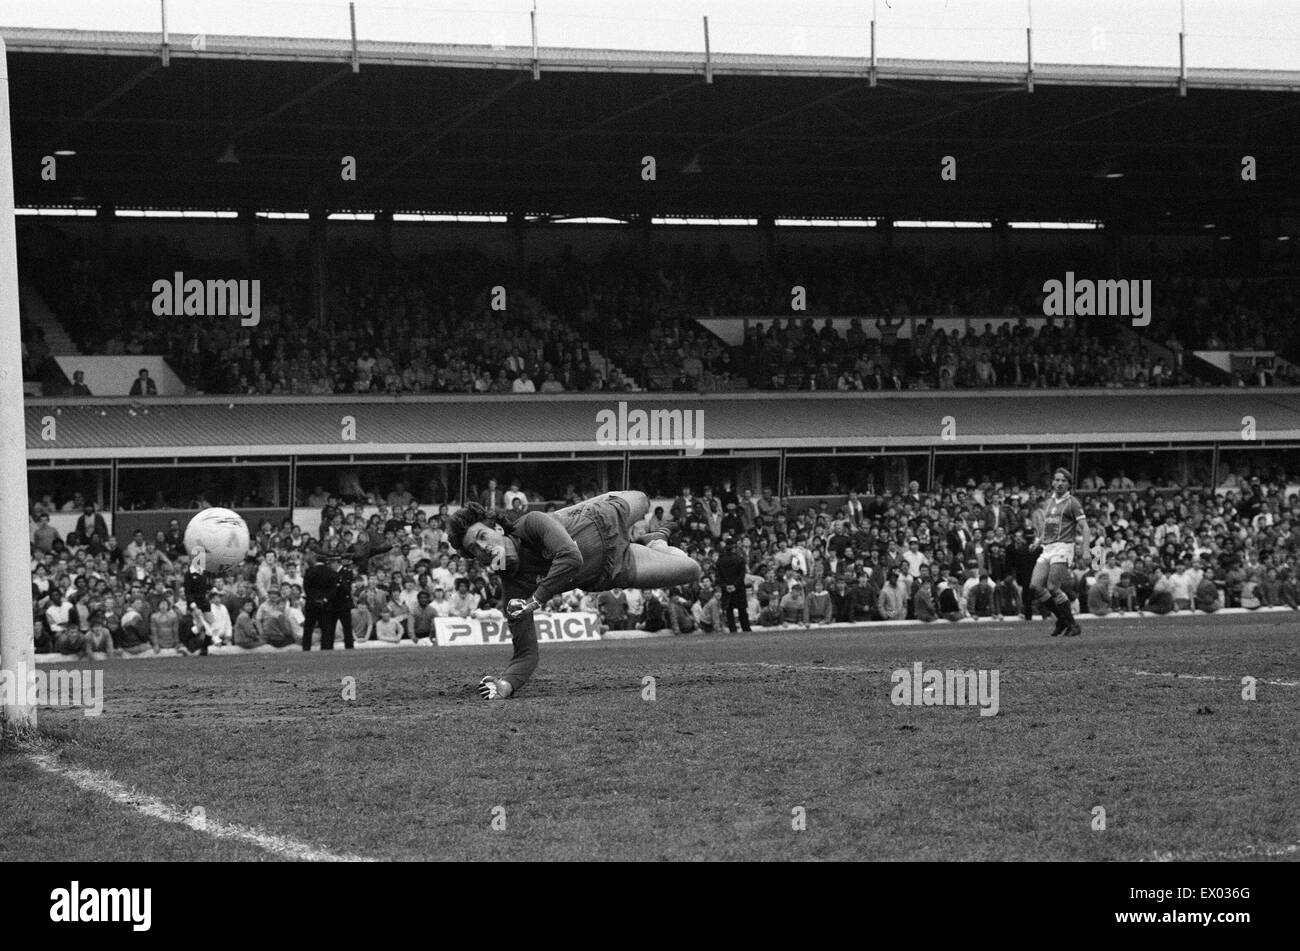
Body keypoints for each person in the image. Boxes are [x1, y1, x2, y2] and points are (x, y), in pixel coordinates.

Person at [448, 491, 701, 699]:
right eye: (474, 549)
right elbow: (526, 655)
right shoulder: (514, 592)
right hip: (611, 569)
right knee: (692, 570)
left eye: (482, 536)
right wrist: (504, 686)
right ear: (477, 559)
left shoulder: (531, 523)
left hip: (603, 514)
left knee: (644, 500)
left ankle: (607, 518)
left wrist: (536, 599)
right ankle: (656, 543)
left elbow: (571, 556)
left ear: (498, 530)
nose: (483, 547)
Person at [1028, 468, 1090, 637]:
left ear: (1069, 484)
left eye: (1063, 481)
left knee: (1053, 587)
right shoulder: (1050, 502)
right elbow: (1047, 526)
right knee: (1035, 587)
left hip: (1063, 547)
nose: (1059, 483)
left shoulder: (1073, 503)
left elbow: (1085, 527)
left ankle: (1072, 625)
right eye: (1057, 480)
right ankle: (1063, 619)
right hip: (1047, 548)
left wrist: (1085, 551)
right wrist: (1038, 541)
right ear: (1053, 482)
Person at [302, 552, 339, 650]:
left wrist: (314, 599)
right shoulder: (330, 572)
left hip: (311, 603)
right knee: (326, 628)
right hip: (326, 604)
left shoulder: (309, 571)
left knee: (308, 628)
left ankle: (306, 647)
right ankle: (325, 647)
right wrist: (325, 599)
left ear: (316, 561)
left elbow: (306, 588)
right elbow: (334, 589)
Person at [715, 540, 752, 633]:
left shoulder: (720, 561)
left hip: (726, 589)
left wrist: (726, 586)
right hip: (739, 588)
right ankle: (746, 629)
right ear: (734, 548)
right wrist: (735, 585)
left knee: (729, 611)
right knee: (742, 610)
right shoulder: (740, 559)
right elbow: (742, 575)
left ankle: (733, 630)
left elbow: (718, 577)